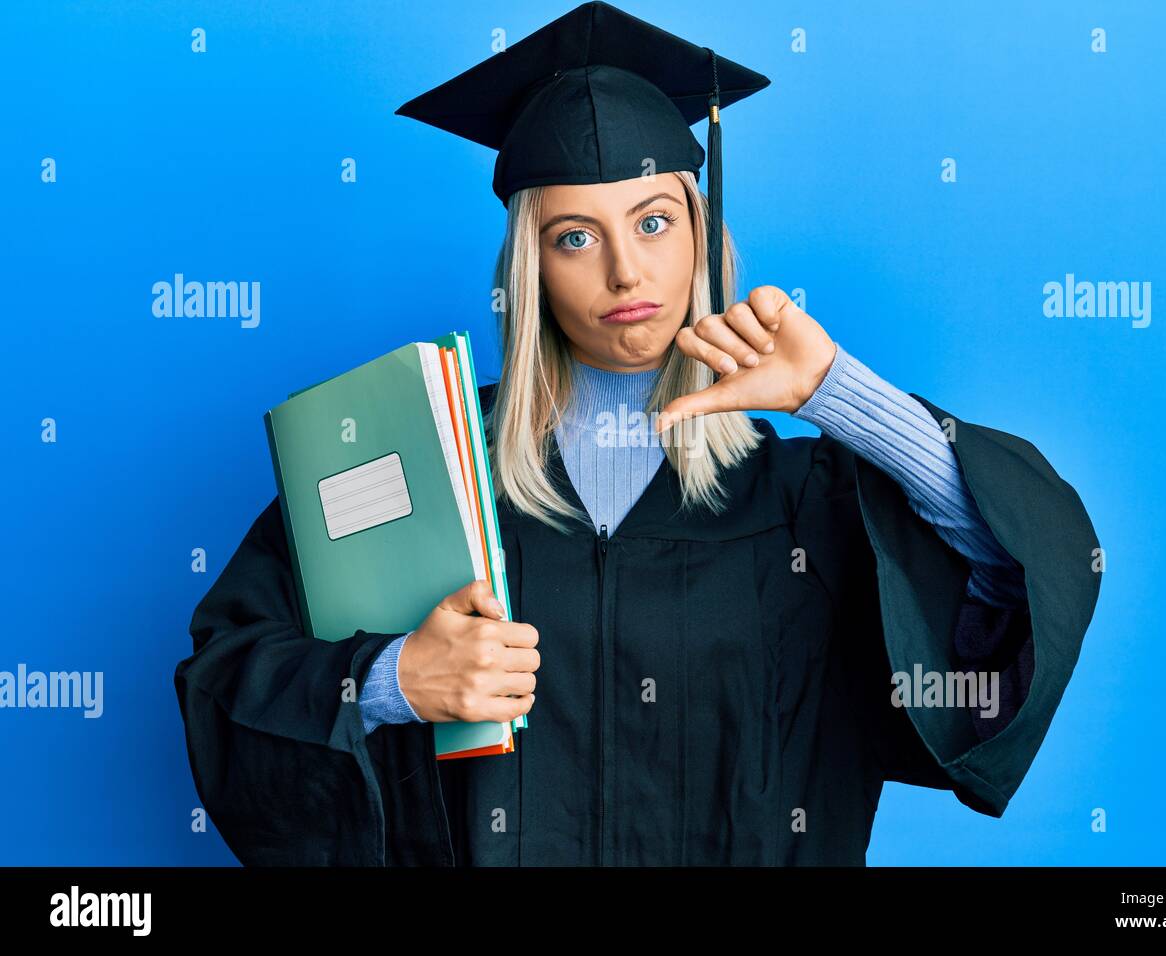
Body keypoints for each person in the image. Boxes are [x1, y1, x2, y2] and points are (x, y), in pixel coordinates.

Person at [175, 1, 1101, 866]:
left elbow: (1019, 571)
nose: (626, 270)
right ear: (530, 266)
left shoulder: (805, 499)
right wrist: (390, 678)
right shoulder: (429, 465)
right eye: (575, 236)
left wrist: (835, 393)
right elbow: (229, 676)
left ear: (702, 233)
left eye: (654, 222)